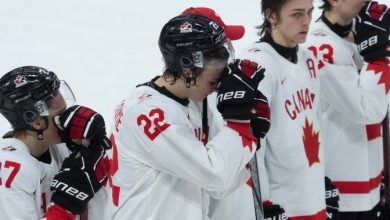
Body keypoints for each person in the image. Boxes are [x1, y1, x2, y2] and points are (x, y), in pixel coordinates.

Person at [106, 13, 264, 220]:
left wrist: (250, 134)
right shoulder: (147, 113)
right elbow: (215, 175)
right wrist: (240, 127)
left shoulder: (190, 104)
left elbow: (217, 188)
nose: (220, 81)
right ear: (188, 68)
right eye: (215, 66)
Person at [236, 0, 328, 219]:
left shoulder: (308, 59)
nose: (306, 21)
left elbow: (312, 125)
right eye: (296, 14)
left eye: (309, 12)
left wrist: (323, 181)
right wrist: (263, 202)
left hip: (313, 200)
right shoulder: (256, 63)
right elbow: (254, 144)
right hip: (283, 206)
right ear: (271, 16)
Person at [305, 0, 390, 219]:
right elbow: (367, 109)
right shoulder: (319, 46)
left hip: (372, 180)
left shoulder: (362, 33)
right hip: (343, 191)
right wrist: (379, 56)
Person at [0, 66, 111, 220]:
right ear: (36, 121)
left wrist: (94, 143)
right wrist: (66, 205)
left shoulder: (58, 147)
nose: (68, 121)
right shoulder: (10, 171)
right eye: (60, 116)